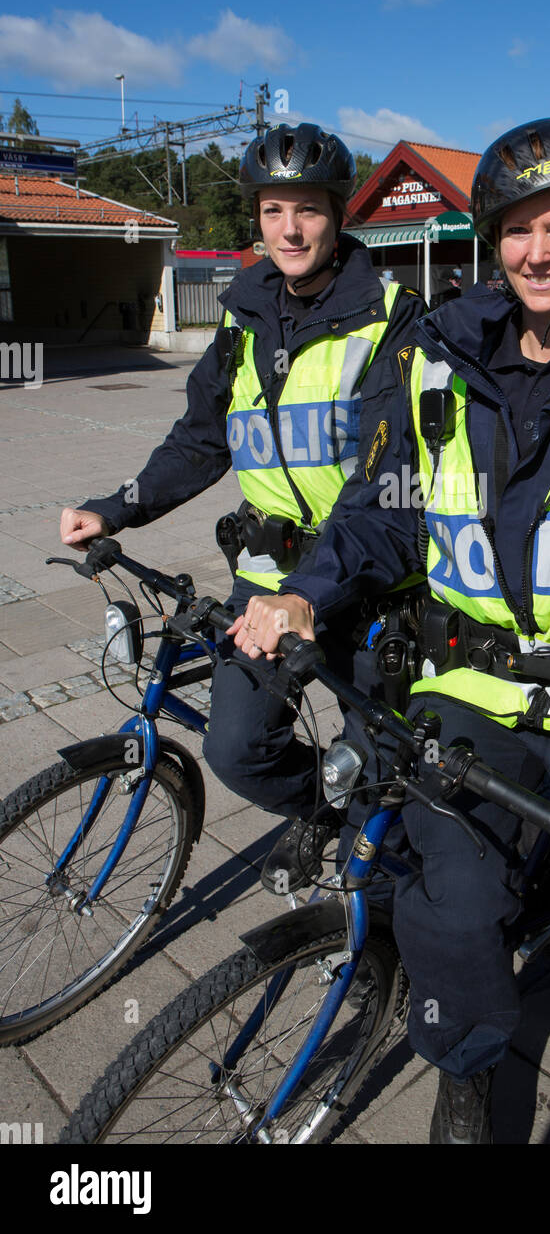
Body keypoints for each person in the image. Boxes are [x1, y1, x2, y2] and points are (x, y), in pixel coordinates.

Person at [235, 118, 550, 1144]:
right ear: (490, 240)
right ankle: (466, 1063)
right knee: (446, 904)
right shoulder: (435, 358)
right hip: (466, 686)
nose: (537, 252)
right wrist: (307, 590)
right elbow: (380, 513)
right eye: (516, 231)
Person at [60, 122, 426, 891]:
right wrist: (119, 508)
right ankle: (320, 811)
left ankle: (370, 931)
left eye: (309, 210)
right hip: (267, 574)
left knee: (376, 767)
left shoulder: (390, 316)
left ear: (339, 214)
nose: (289, 230)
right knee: (235, 748)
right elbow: (201, 439)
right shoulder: (241, 314)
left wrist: (309, 595)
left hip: (366, 579)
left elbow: (386, 487)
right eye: (271, 210)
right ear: (255, 217)